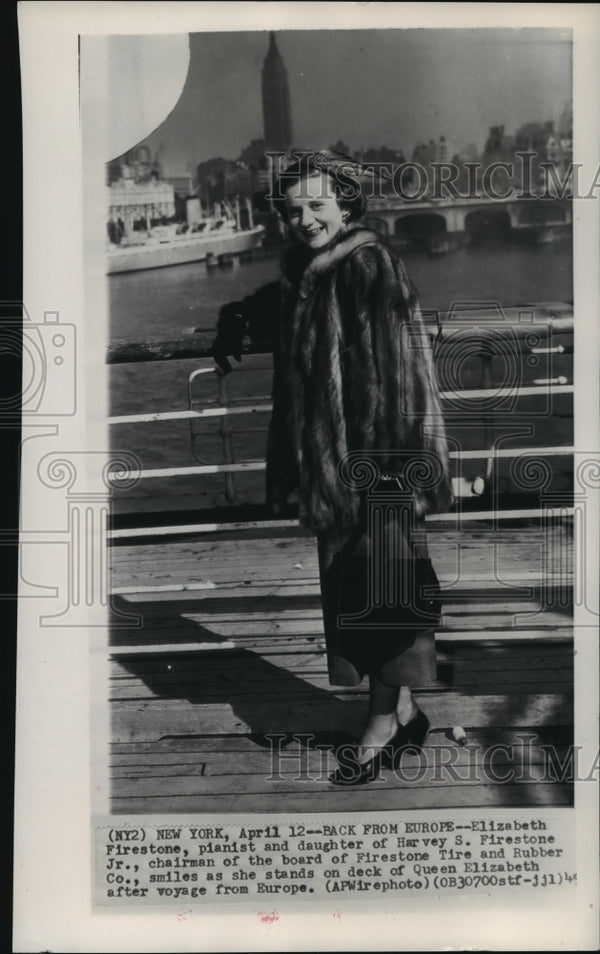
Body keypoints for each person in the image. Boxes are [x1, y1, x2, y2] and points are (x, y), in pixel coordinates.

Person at [210, 151, 453, 785]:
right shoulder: (311, 268)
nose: (304, 218)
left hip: (378, 463)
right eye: (293, 210)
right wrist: (239, 316)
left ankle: (382, 724)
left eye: (317, 204)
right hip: (336, 467)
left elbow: (400, 376)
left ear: (347, 205)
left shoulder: (369, 264)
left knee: (380, 591)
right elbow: (297, 308)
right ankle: (403, 708)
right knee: (362, 588)